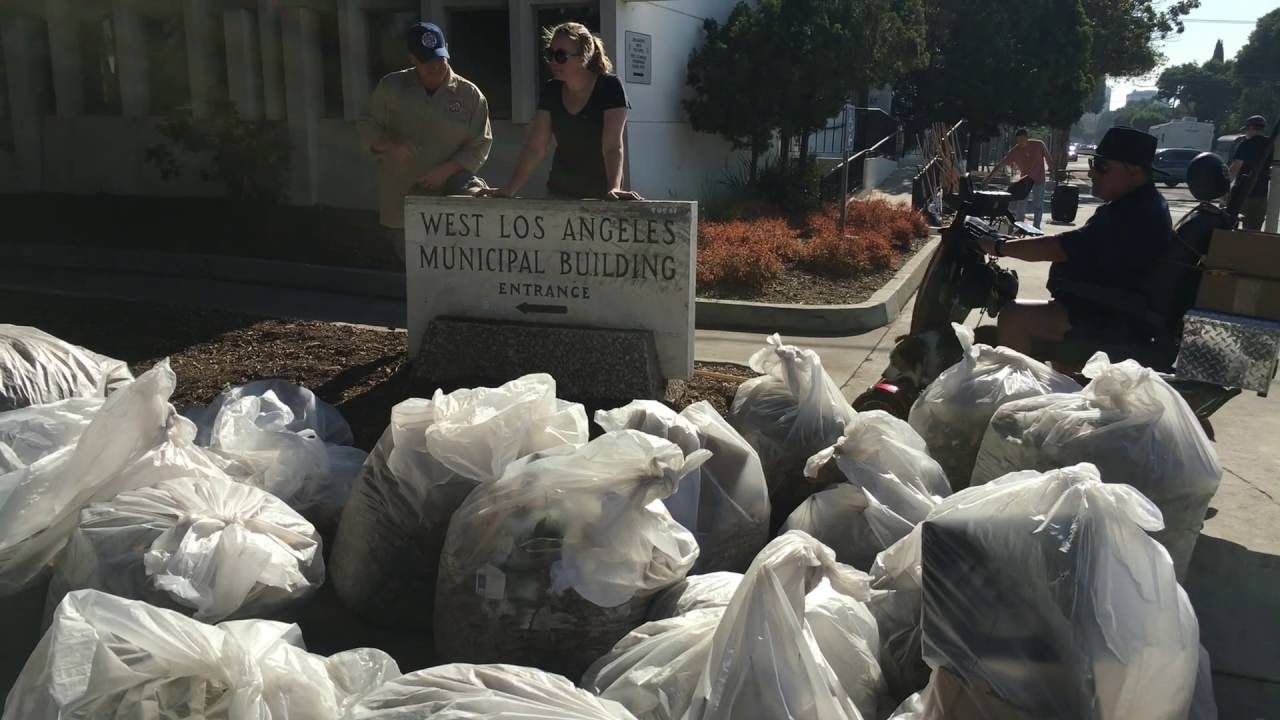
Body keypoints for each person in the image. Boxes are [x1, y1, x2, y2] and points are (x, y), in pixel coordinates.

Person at [975, 127, 1172, 357]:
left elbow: (1058, 248)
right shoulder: (1138, 204)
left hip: (1111, 317)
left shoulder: (1133, 212)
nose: (1092, 174)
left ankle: (1016, 391)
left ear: (1135, 172)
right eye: (1093, 165)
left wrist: (998, 246)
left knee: (1013, 316)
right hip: (1109, 307)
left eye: (1102, 166)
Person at [358, 22, 493, 263]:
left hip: (448, 200)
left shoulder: (470, 96)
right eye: (426, 61)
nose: (435, 66)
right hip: (403, 199)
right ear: (412, 58)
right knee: (410, 270)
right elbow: (367, 126)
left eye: (439, 58)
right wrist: (390, 145)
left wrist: (446, 171)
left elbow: (480, 144)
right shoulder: (391, 87)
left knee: (454, 265)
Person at [487, 22, 642, 201]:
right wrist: (510, 190)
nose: (553, 61)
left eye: (561, 55)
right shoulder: (552, 90)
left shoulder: (610, 87)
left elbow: (612, 146)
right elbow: (535, 147)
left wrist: (613, 188)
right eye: (550, 54)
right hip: (559, 192)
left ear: (585, 56)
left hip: (600, 196)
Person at [990, 128, 1052, 228]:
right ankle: (1020, 226)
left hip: (1039, 179)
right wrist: (989, 177)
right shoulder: (1015, 150)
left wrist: (1052, 170)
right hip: (1025, 181)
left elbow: (1048, 157)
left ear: (1027, 137)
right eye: (1018, 140)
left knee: (1038, 204)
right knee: (1021, 203)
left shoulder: (1039, 144)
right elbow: (1001, 163)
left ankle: (1036, 227)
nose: (1020, 143)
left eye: (1022, 140)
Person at [1229, 115, 1272, 231]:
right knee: (1253, 232)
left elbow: (1235, 168)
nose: (1246, 132)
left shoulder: (1245, 144)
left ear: (1251, 128)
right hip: (1261, 195)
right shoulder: (1271, 145)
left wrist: (1225, 189)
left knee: (1230, 228)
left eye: (1246, 129)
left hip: (1242, 193)